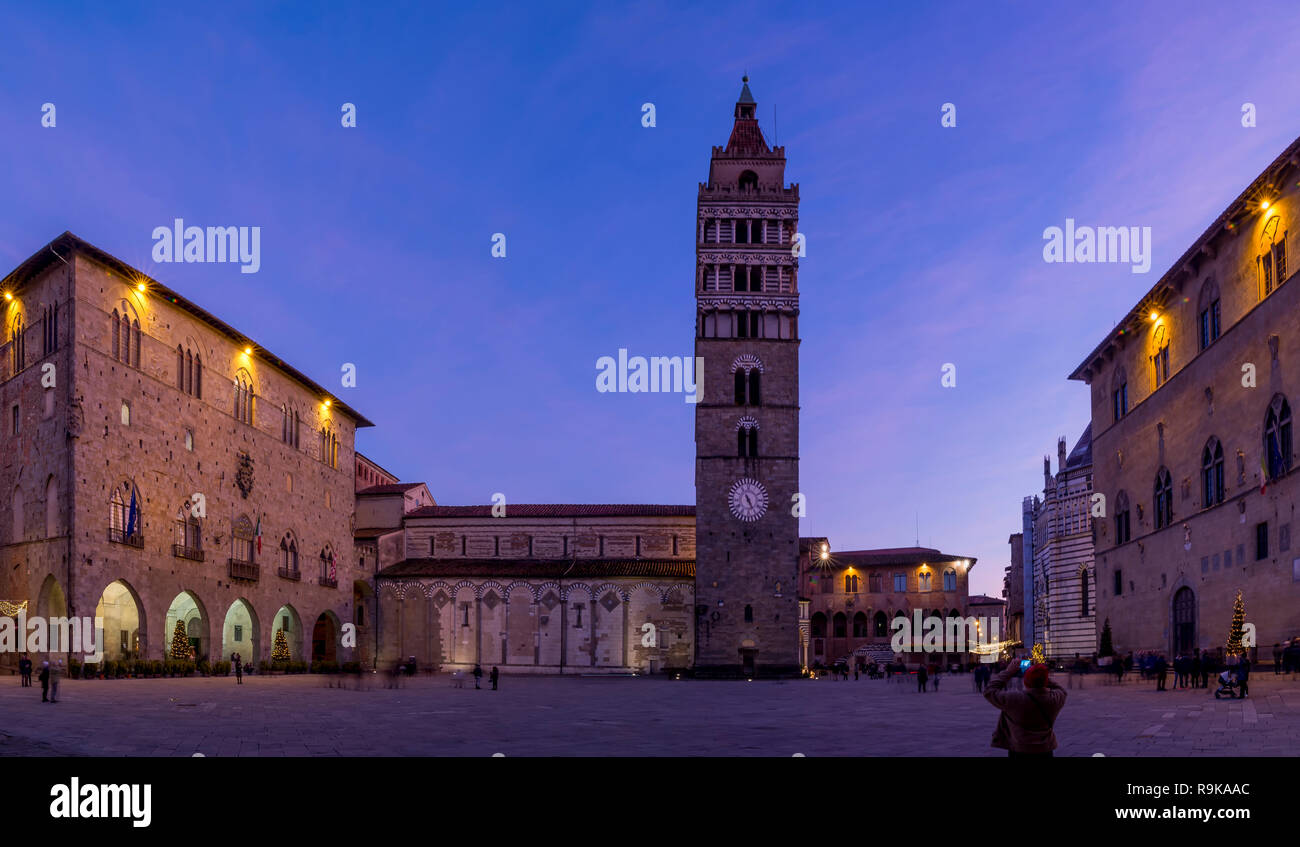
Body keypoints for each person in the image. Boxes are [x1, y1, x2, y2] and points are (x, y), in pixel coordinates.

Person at [985, 662, 1067, 757]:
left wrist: (1009, 671)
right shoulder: (1055, 698)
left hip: (1019, 748)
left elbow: (989, 691)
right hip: (1045, 748)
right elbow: (1061, 689)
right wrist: (1040, 674)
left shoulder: (1015, 699)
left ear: (1026, 681)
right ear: (1046, 681)